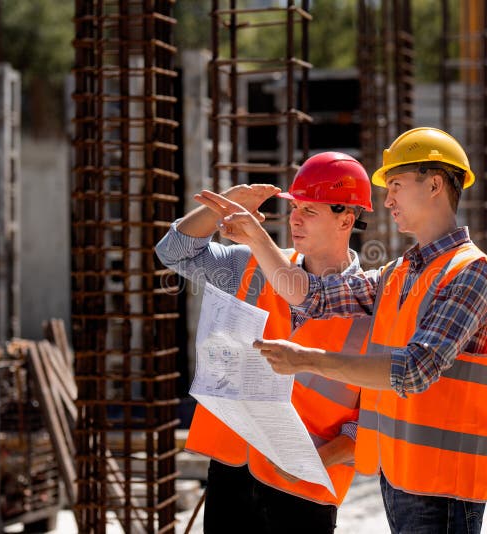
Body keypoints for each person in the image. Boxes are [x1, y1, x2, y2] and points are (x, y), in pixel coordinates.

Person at [195, 127, 487, 534]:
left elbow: (414, 369)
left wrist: (307, 360)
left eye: (396, 185)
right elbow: (311, 296)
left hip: (446, 487)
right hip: (401, 478)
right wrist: (256, 237)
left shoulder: (471, 273)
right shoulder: (399, 274)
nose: (387, 200)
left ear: (434, 185)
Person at [155, 152, 373, 533]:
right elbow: (173, 252)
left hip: (305, 492)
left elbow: (374, 421)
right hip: (232, 475)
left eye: (309, 210)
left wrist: (317, 459)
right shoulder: (251, 265)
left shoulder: (370, 306)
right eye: (294, 207)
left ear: (346, 220)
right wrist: (227, 204)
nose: (294, 219)